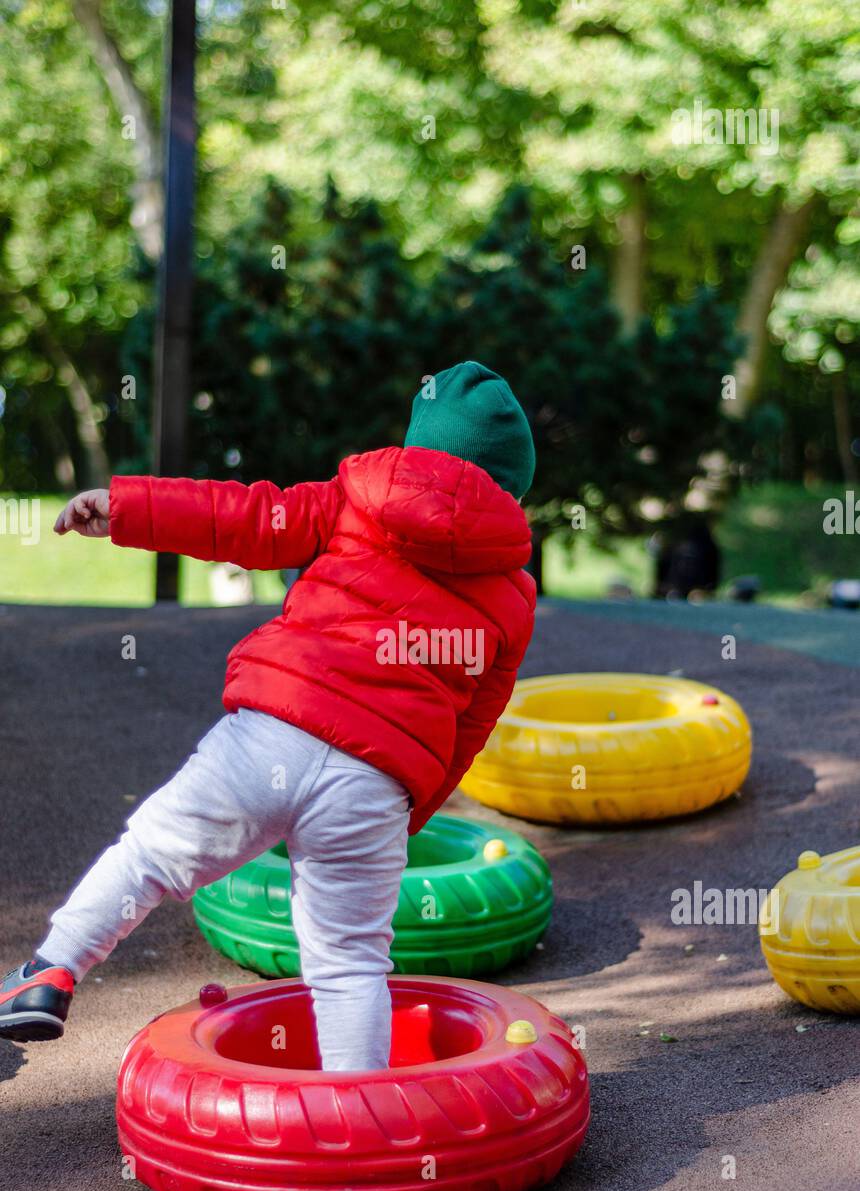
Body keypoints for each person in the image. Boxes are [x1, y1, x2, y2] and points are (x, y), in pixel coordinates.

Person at [0, 363, 536, 1071]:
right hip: (376, 780)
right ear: (513, 488)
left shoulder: (355, 499)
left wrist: (128, 507)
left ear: (416, 447)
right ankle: (358, 1116)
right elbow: (474, 724)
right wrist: (409, 809)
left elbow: (243, 519)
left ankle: (50, 971)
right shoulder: (512, 591)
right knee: (350, 963)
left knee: (151, 855)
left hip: (274, 729)